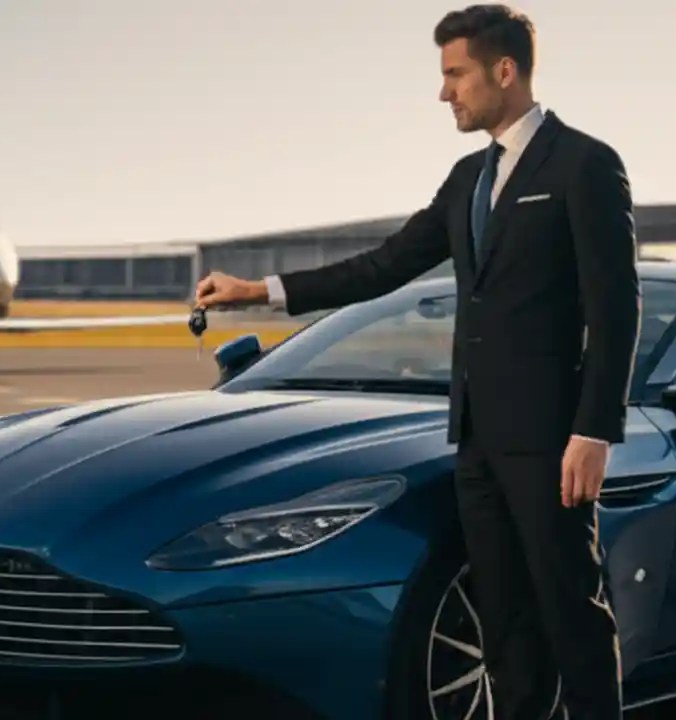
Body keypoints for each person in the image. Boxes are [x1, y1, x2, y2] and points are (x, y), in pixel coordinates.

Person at [193, 5, 639, 720]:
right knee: (506, 624)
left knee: (571, 611)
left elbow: (615, 307)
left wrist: (595, 430)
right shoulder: (467, 179)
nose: (443, 92)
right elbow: (385, 265)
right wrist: (259, 291)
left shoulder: (584, 165)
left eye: (455, 74)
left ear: (504, 70)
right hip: (476, 439)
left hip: (552, 441)